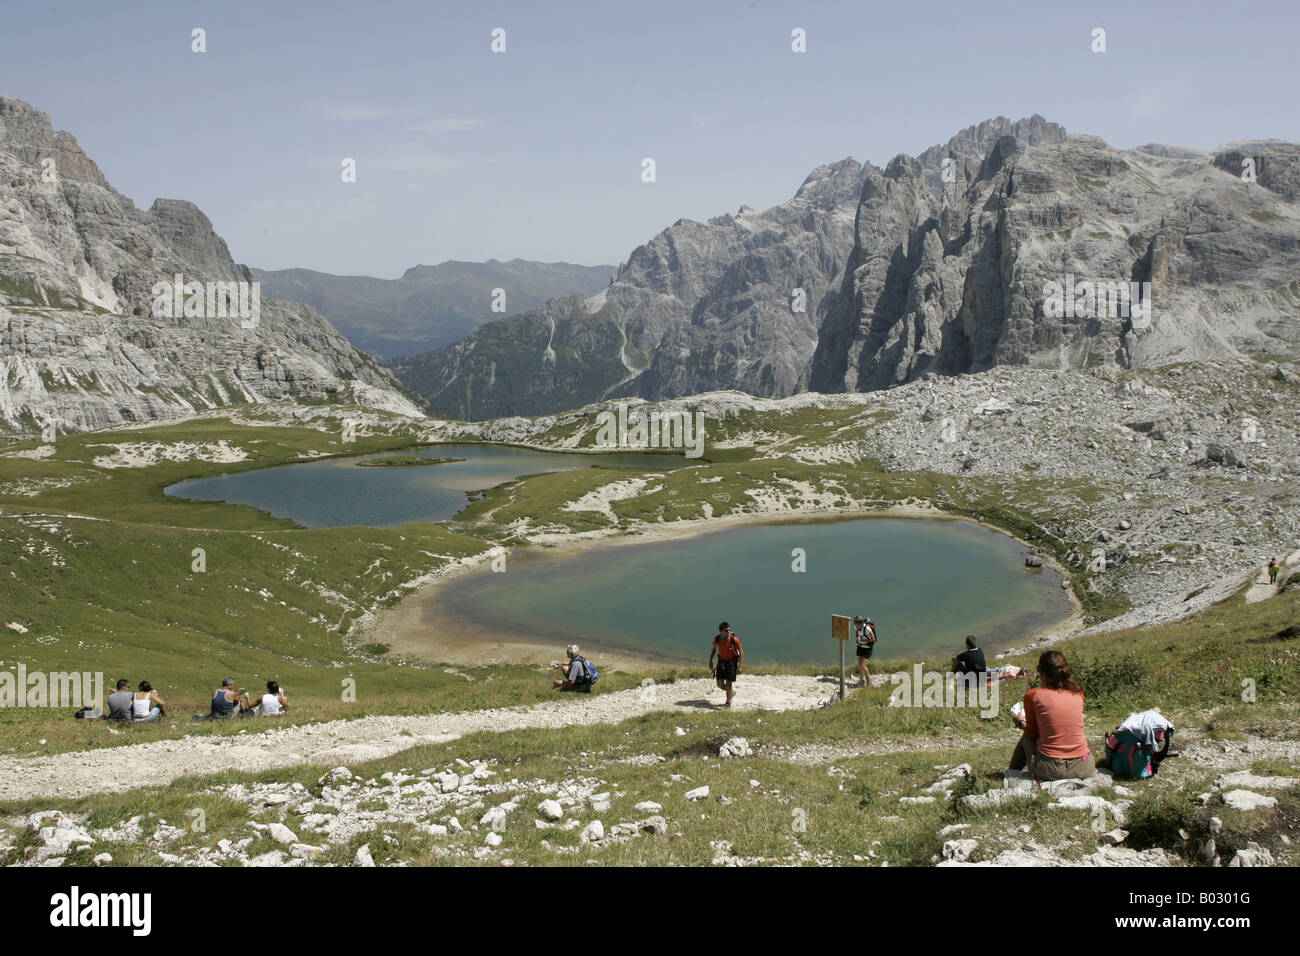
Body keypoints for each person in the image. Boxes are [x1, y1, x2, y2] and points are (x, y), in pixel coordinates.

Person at [1009, 650, 1094, 781]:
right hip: (1084, 767)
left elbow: (1031, 734)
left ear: (1042, 673)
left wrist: (1020, 722)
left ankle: (1012, 774)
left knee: (1026, 738)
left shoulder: (1033, 696)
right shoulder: (1077, 693)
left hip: (1052, 769)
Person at [709, 622, 743, 708]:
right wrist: (710, 661)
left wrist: (740, 666)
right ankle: (731, 692)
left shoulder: (734, 639)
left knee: (728, 684)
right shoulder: (717, 639)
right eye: (727, 630)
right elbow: (714, 649)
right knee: (719, 684)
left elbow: (741, 651)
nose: (729, 631)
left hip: (731, 662)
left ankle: (728, 703)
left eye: (729, 630)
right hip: (721, 662)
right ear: (721, 631)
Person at [854, 616, 876, 686]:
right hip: (860, 647)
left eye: (856, 624)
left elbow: (873, 639)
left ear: (860, 623)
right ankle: (862, 681)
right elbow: (857, 635)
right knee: (860, 665)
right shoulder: (857, 627)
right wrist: (858, 638)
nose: (855, 625)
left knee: (863, 666)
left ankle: (869, 680)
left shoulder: (867, 629)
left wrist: (863, 640)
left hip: (867, 648)